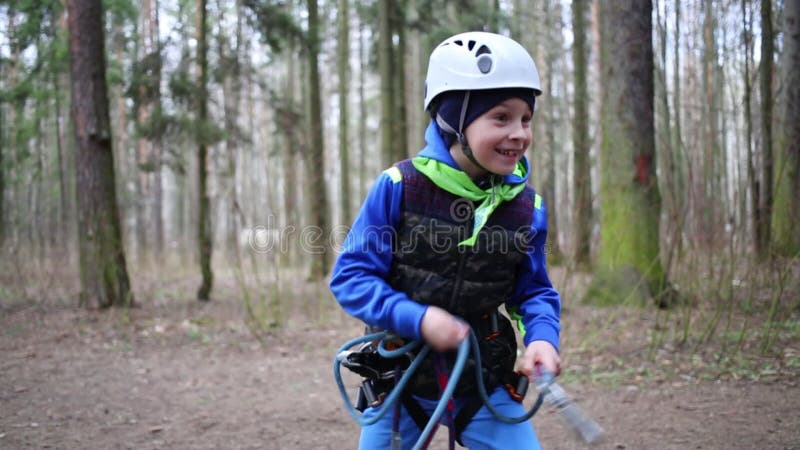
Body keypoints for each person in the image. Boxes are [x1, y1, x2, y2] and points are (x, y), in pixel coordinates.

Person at [330, 31, 561, 450]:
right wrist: (416, 318)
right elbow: (351, 277)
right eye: (501, 117)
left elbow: (534, 291)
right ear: (453, 119)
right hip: (400, 381)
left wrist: (543, 337)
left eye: (526, 119)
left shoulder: (529, 208)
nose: (519, 133)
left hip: (482, 381)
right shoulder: (399, 186)